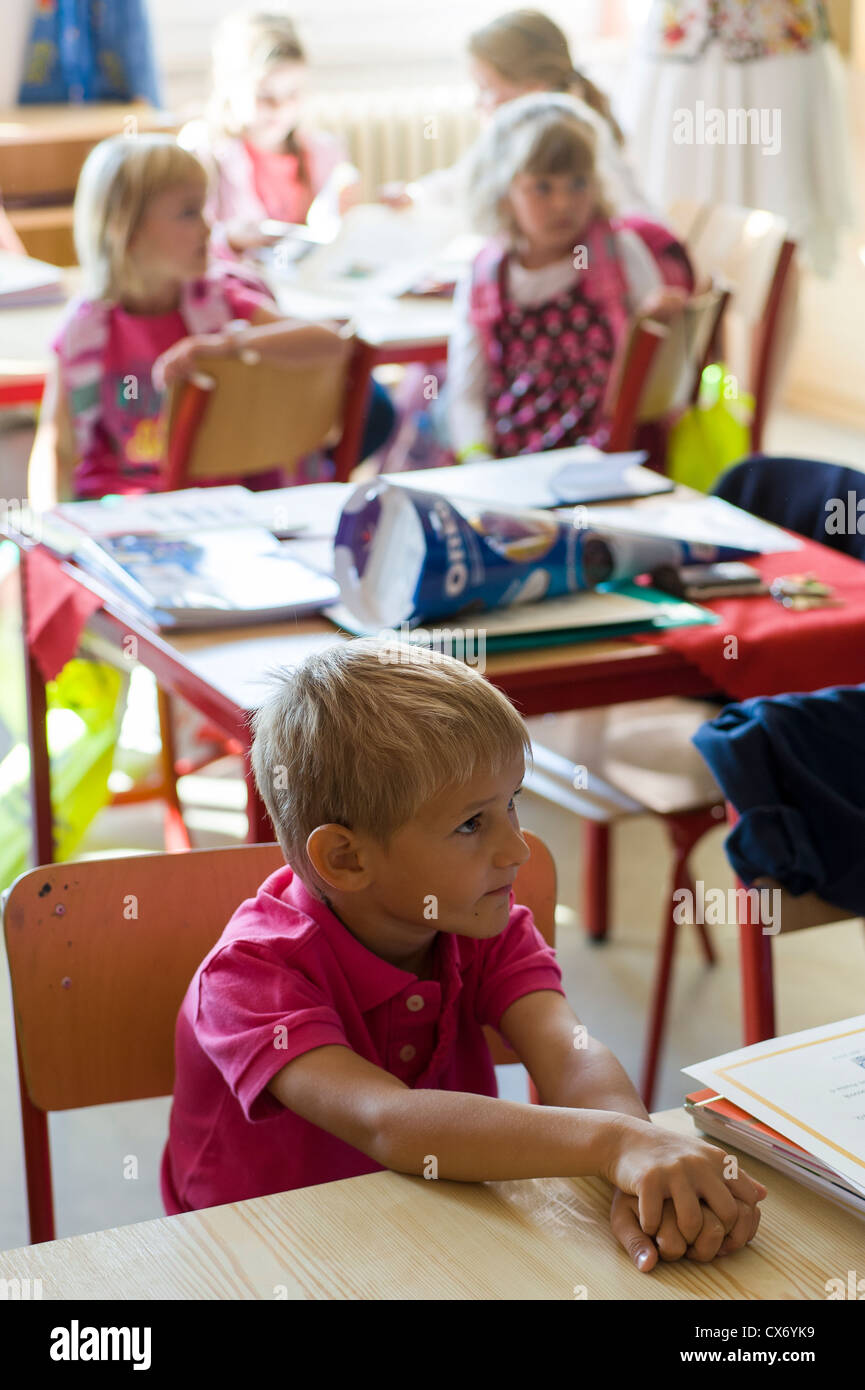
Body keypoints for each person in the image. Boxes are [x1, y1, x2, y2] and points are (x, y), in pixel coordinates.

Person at [161, 638, 767, 1272]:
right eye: (472, 824)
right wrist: (612, 1141)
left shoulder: (481, 923)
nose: (518, 850)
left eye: (512, 804)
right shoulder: (250, 977)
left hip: (432, 1229)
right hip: (260, 1258)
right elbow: (387, 1122)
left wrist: (634, 1154)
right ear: (346, 858)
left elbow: (570, 1050)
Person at [26, 133, 382, 506]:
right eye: (188, 212)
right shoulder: (83, 331)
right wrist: (47, 536)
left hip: (217, 512)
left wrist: (225, 344)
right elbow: (56, 448)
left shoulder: (218, 301)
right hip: (120, 517)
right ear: (124, 230)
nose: (209, 225)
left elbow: (332, 342)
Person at [447, 93, 695, 463]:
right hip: (511, 466)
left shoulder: (618, 253)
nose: (563, 204)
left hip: (608, 459)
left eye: (578, 184)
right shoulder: (485, 275)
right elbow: (465, 393)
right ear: (504, 194)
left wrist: (662, 325)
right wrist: (478, 460)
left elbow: (672, 378)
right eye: (543, 188)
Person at [623, 0, 856, 276]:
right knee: (684, 185)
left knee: (778, 184)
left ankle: (771, 287)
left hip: (777, 37)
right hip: (690, 39)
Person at [383, 9, 652, 221]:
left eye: (487, 89)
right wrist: (416, 195)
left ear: (533, 88)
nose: (479, 102)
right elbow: (467, 179)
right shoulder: (527, 130)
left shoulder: (567, 134)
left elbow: (625, 214)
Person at [178, 9, 361, 257]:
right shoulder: (201, 151)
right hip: (235, 286)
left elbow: (337, 237)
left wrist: (366, 215)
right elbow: (179, 243)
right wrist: (229, 239)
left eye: (292, 94)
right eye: (264, 96)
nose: (280, 107)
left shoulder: (324, 152)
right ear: (228, 85)